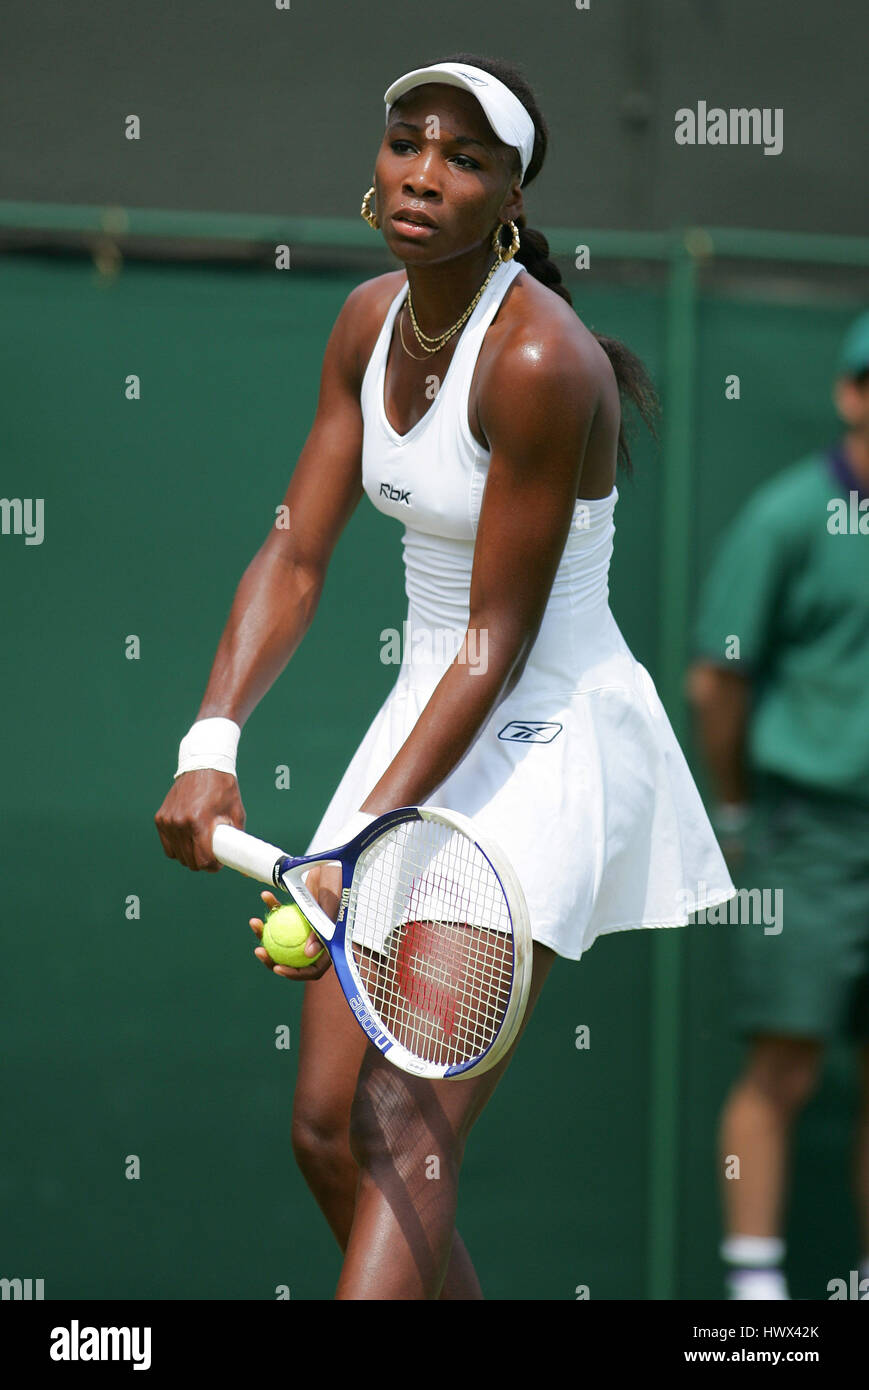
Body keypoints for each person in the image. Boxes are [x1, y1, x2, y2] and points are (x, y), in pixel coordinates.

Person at [155, 53, 735, 1300]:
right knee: (325, 1127)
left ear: (510, 196)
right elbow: (296, 549)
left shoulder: (540, 362)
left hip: (539, 724)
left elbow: (497, 641)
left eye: (465, 159)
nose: (425, 174)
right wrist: (212, 743)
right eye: (407, 143)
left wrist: (357, 839)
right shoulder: (368, 318)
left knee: (404, 1126)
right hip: (425, 711)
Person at [687, 310, 869, 1301]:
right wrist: (737, 809)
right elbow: (717, 679)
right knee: (783, 1068)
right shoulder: (786, 516)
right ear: (849, 393)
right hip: (806, 837)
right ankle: (754, 1298)